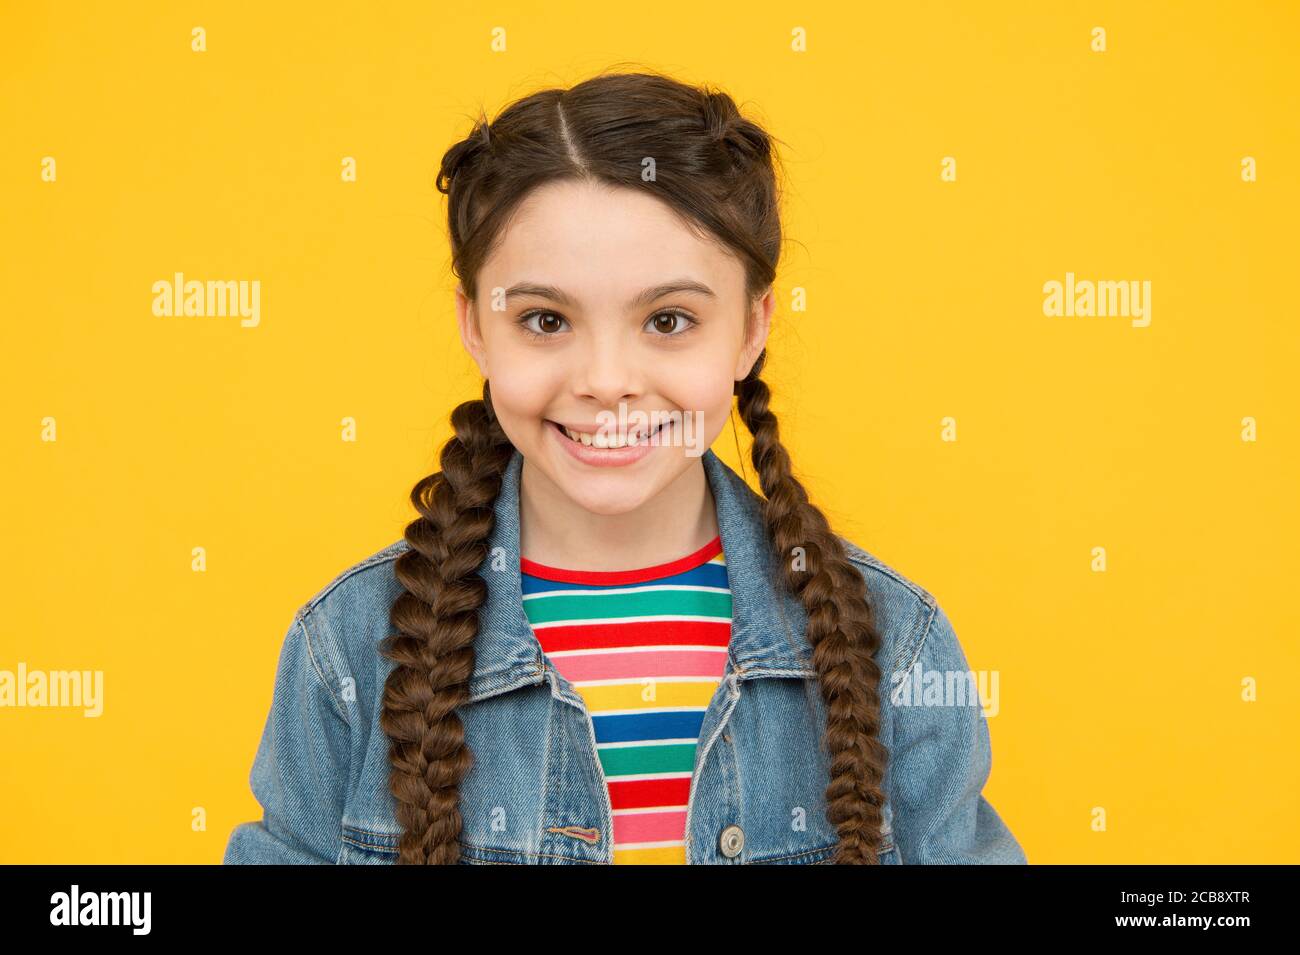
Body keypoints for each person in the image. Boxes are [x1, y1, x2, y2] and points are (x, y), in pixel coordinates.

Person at [224, 68, 1028, 866]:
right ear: (475, 327)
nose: (606, 380)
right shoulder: (347, 646)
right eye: (546, 320)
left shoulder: (897, 644)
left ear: (752, 330)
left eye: (668, 320)